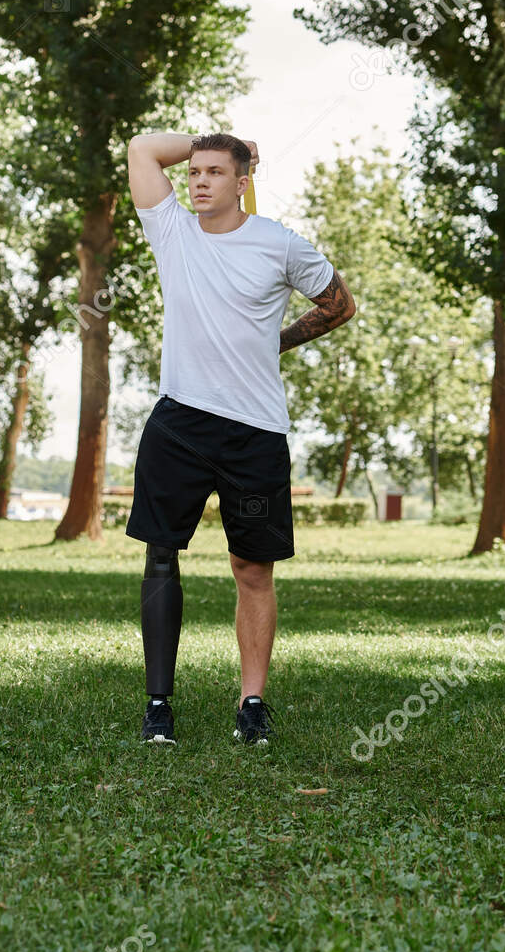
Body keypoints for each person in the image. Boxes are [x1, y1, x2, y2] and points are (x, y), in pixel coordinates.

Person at [125, 132, 356, 747]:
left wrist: (278, 341)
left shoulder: (280, 244)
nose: (199, 181)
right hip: (179, 422)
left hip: (255, 431)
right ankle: (158, 706)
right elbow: (142, 148)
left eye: (215, 172)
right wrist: (215, 141)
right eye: (194, 171)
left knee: (252, 567)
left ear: (243, 182)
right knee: (160, 555)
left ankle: (252, 702)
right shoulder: (172, 230)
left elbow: (339, 305)